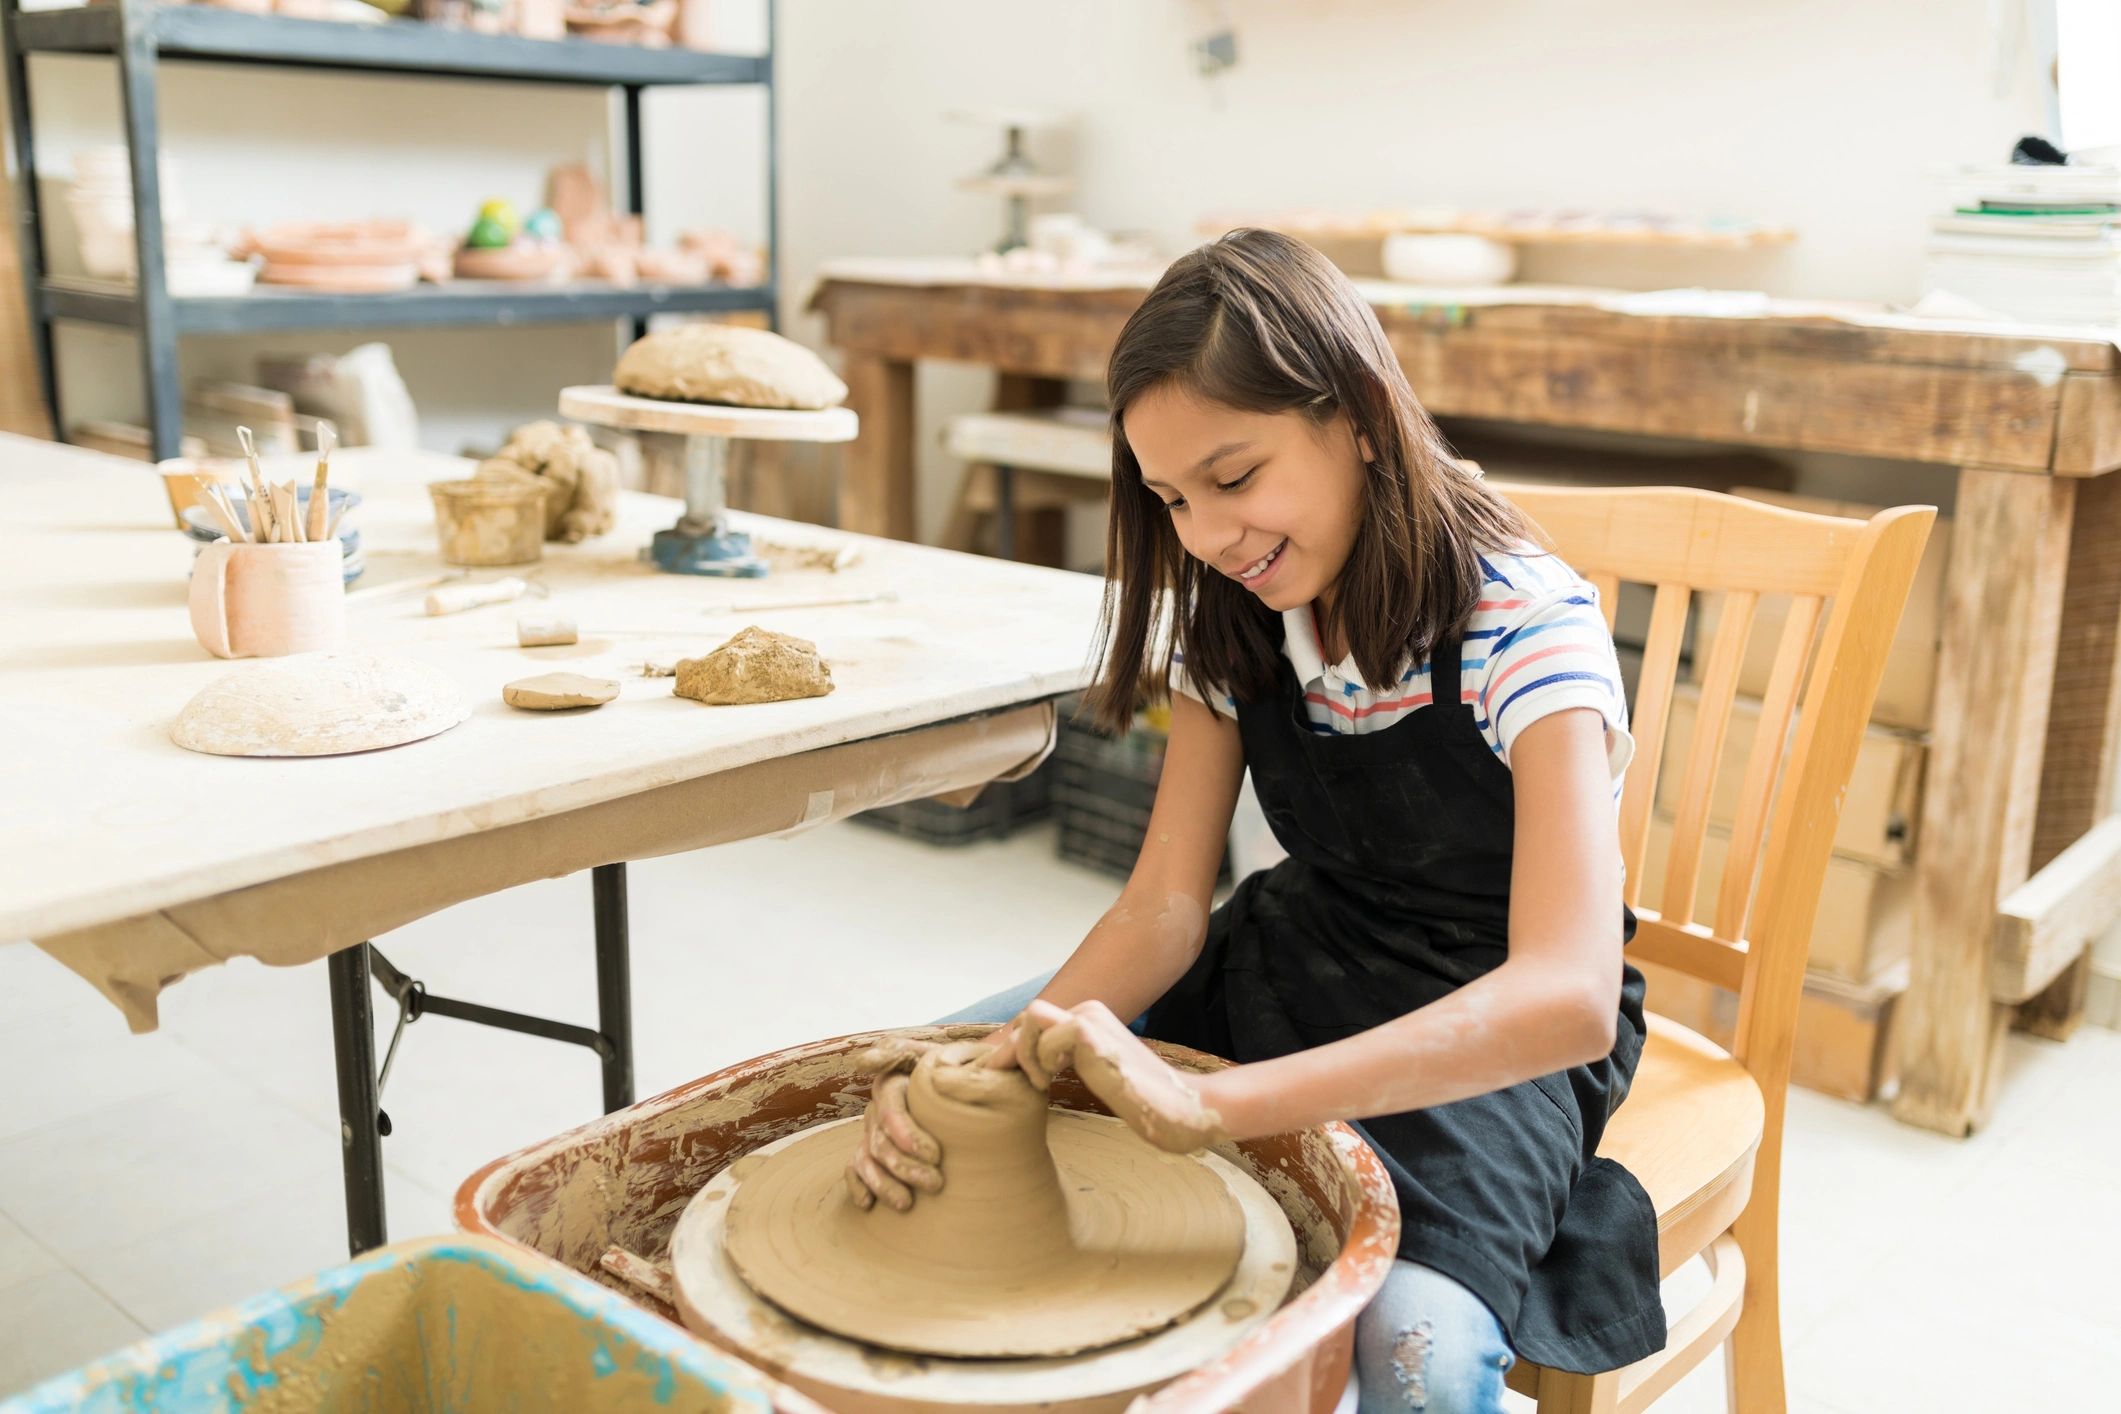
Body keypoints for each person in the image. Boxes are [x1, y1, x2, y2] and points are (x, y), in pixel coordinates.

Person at [850, 229, 1664, 1413]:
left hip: (1488, 1029)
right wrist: (990, 1061)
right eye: (1173, 498)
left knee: (1420, 1362)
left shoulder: (1522, 624)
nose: (1206, 535)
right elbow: (1166, 906)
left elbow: (1570, 995)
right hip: (1292, 951)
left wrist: (1219, 1105)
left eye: (1234, 479)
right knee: (920, 1084)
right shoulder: (1234, 617)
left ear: (1365, 417)